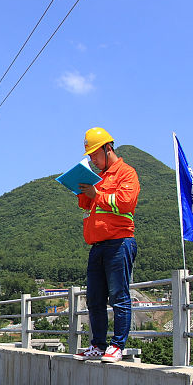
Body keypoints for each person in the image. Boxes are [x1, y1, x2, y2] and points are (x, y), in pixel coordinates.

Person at [74, 127, 139, 363]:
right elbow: (85, 204)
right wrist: (81, 189)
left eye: (94, 154)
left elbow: (125, 202)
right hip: (98, 245)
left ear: (107, 148)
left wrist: (96, 194)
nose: (92, 159)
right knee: (95, 298)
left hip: (119, 242)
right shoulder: (98, 179)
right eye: (90, 155)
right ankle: (98, 345)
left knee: (119, 296)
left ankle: (117, 346)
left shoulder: (126, 173)